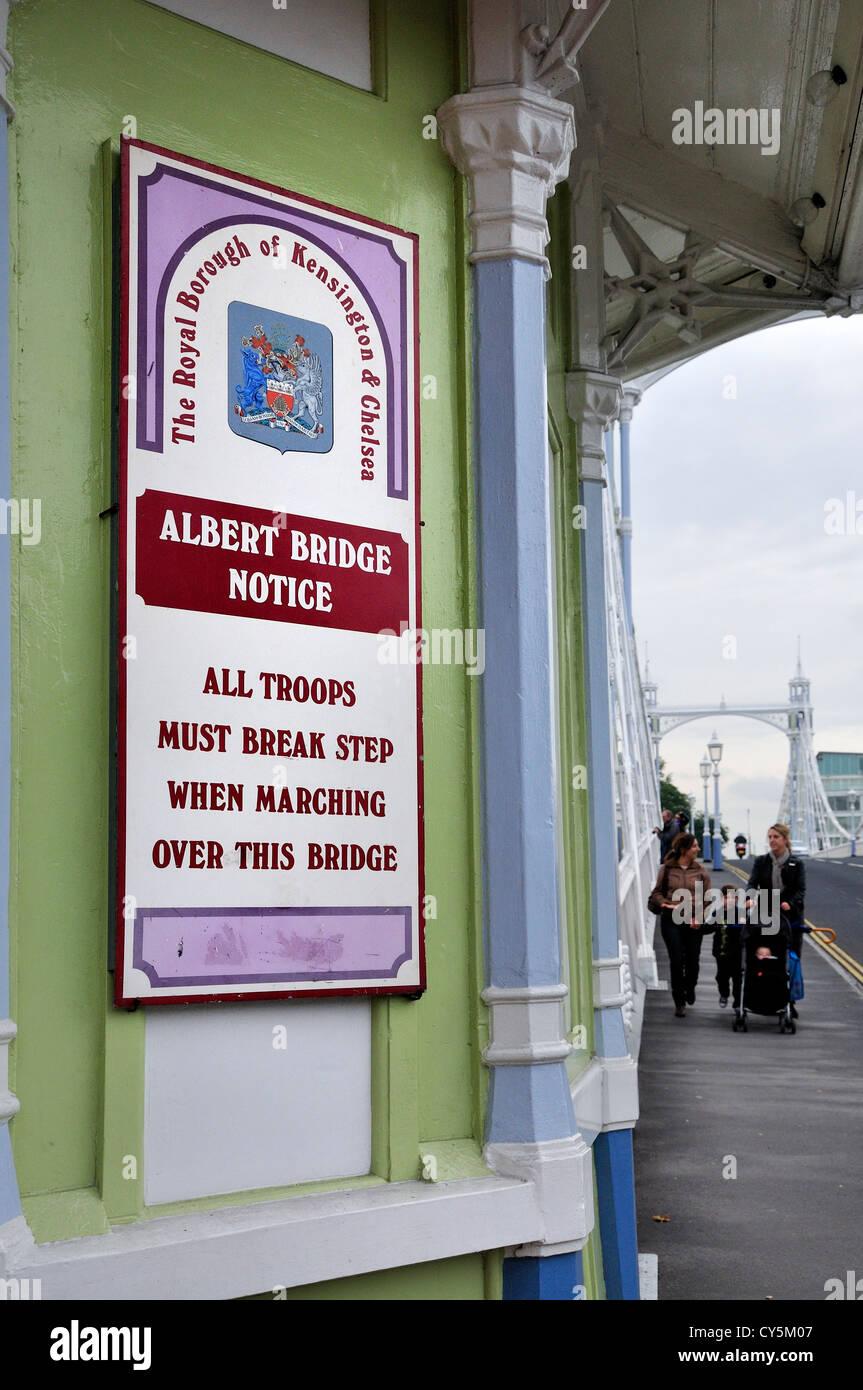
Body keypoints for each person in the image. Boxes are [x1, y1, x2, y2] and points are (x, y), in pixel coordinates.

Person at [648, 832, 712, 1017]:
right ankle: (679, 1001)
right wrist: (664, 903)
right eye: (694, 846)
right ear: (684, 849)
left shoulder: (700, 871)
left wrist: (698, 917)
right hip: (671, 919)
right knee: (676, 960)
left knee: (692, 961)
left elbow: (707, 898)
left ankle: (690, 987)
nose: (698, 849)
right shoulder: (666, 870)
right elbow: (656, 893)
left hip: (693, 920)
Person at [745, 822, 806, 1015]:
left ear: (785, 840)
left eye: (776, 837)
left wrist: (790, 903)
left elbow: (800, 890)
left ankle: (790, 1003)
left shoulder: (797, 864)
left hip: (790, 915)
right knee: (764, 954)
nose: (772, 840)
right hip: (767, 913)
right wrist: (750, 898)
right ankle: (758, 996)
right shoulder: (761, 861)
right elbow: (752, 884)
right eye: (770, 837)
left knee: (792, 957)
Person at [710, 884, 745, 1009]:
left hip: (737, 952)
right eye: (726, 897)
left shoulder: (741, 913)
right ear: (721, 899)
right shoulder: (717, 913)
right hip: (721, 951)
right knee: (721, 976)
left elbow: (745, 929)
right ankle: (724, 994)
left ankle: (737, 1001)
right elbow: (709, 926)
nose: (730, 900)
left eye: (733, 897)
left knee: (737, 978)